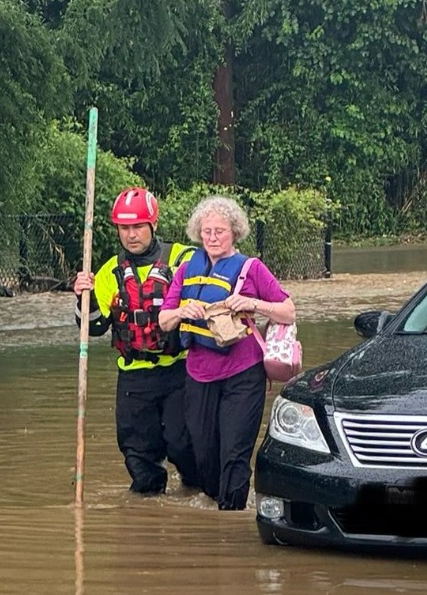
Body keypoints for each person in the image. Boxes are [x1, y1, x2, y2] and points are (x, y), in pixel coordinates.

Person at [158, 196, 296, 510]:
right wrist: (181, 311)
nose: (212, 237)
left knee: (234, 453)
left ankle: (231, 515)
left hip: (243, 374)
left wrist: (253, 303)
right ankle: (214, 511)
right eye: (207, 231)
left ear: (234, 232)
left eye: (219, 231)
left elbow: (288, 311)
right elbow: (164, 321)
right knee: (203, 451)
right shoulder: (186, 270)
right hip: (199, 374)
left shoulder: (252, 268)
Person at [73, 187, 200, 495]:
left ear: (153, 225)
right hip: (134, 377)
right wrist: (83, 298)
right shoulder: (109, 272)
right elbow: (94, 328)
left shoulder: (184, 259)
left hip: (179, 372)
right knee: (139, 458)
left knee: (183, 445)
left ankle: (196, 494)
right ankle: (145, 513)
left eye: (138, 226)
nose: (131, 235)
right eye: (124, 228)